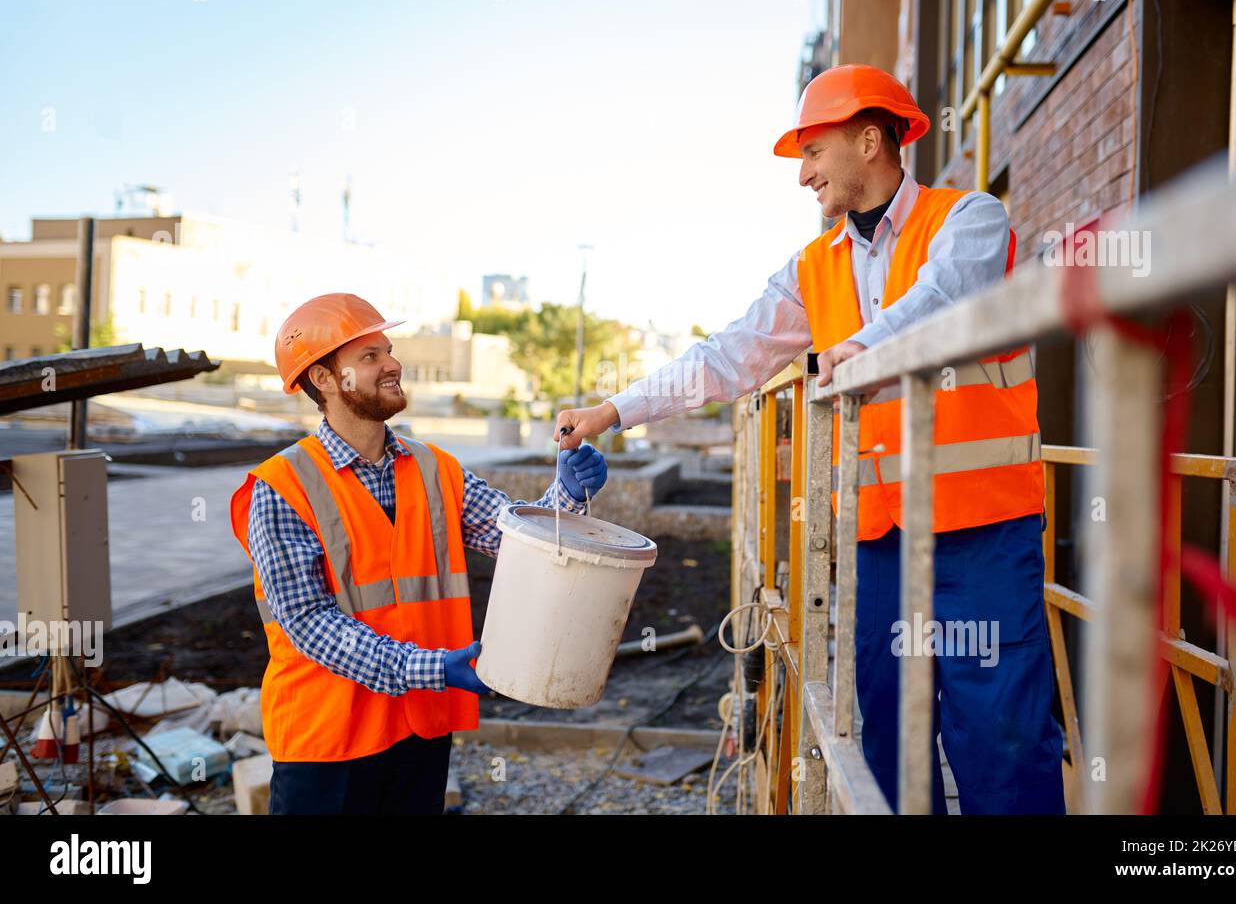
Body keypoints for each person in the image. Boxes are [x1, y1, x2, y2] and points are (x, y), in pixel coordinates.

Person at [554, 64, 1063, 814]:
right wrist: (613, 411)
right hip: (881, 545)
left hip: (980, 537)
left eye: (814, 152)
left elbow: (947, 295)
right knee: (888, 745)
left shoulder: (971, 220)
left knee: (1002, 741)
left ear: (868, 140)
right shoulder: (813, 268)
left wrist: (868, 347)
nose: (803, 175)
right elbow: (727, 356)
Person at [230, 292, 608, 814]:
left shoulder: (435, 468)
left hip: (419, 734)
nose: (392, 364)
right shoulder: (281, 486)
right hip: (328, 744)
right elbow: (309, 623)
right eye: (369, 357)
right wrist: (431, 668)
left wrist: (566, 496)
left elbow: (518, 542)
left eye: (387, 350)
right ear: (322, 379)